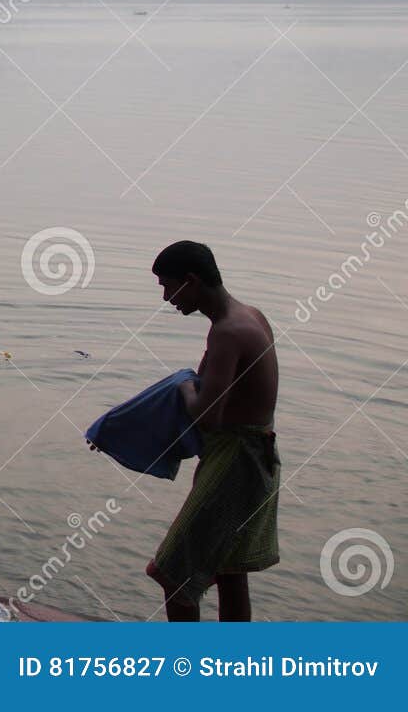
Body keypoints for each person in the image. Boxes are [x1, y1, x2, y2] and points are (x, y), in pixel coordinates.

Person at [147, 240, 280, 622]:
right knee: (229, 571)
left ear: (191, 281)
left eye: (167, 285)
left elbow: (207, 417)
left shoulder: (227, 332)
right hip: (258, 456)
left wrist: (185, 385)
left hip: (237, 464)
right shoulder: (251, 315)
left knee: (173, 573)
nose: (166, 297)